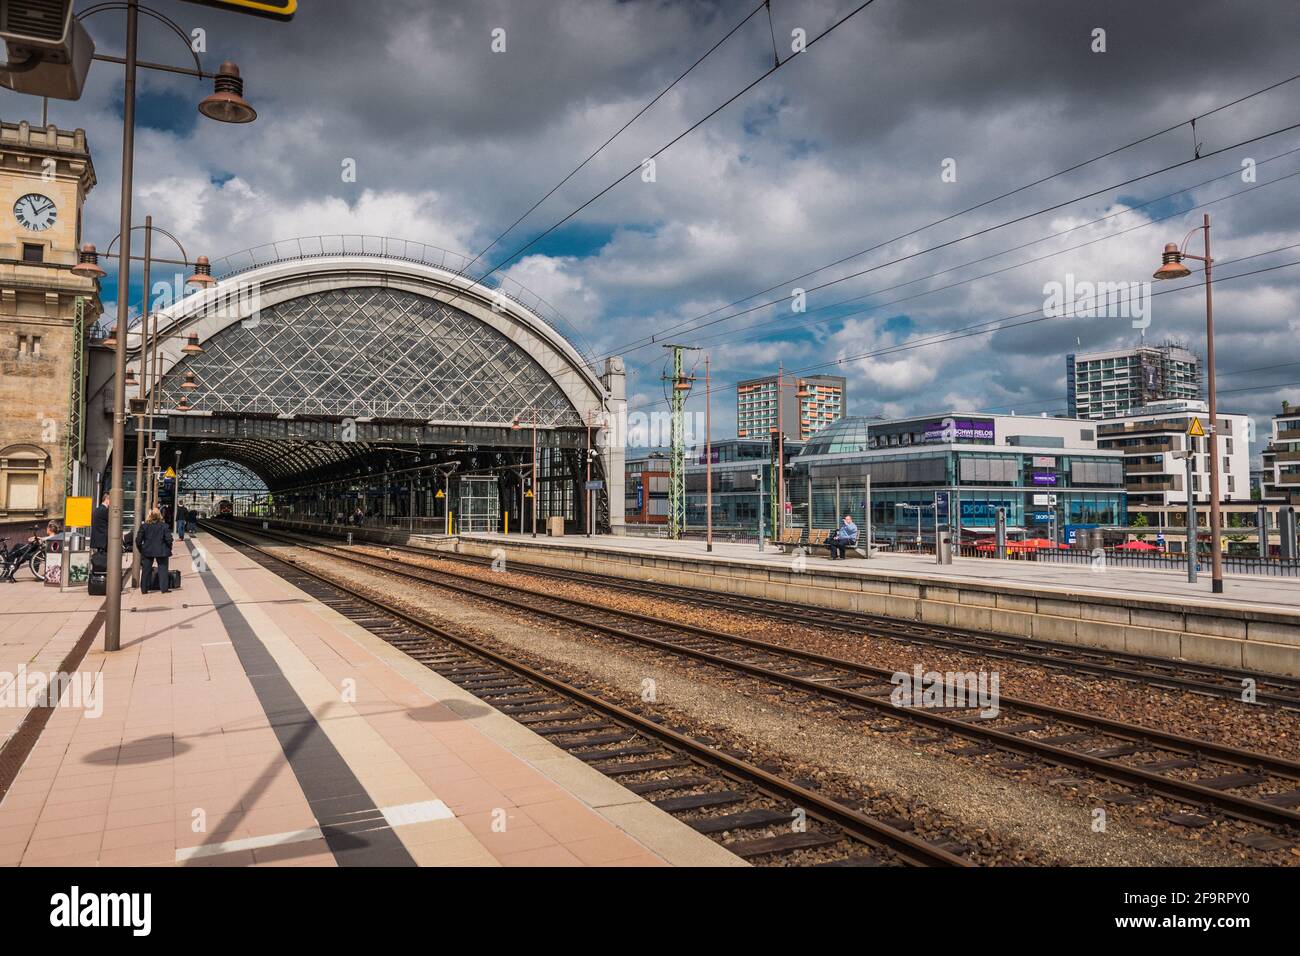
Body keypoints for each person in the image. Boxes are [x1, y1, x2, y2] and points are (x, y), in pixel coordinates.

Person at [135, 508, 174, 594]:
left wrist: (142, 549)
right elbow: (169, 539)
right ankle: (164, 589)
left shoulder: (144, 526)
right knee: (163, 569)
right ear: (159, 516)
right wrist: (169, 548)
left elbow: (138, 540)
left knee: (146, 570)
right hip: (161, 550)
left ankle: (144, 589)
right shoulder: (164, 526)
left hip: (148, 550)